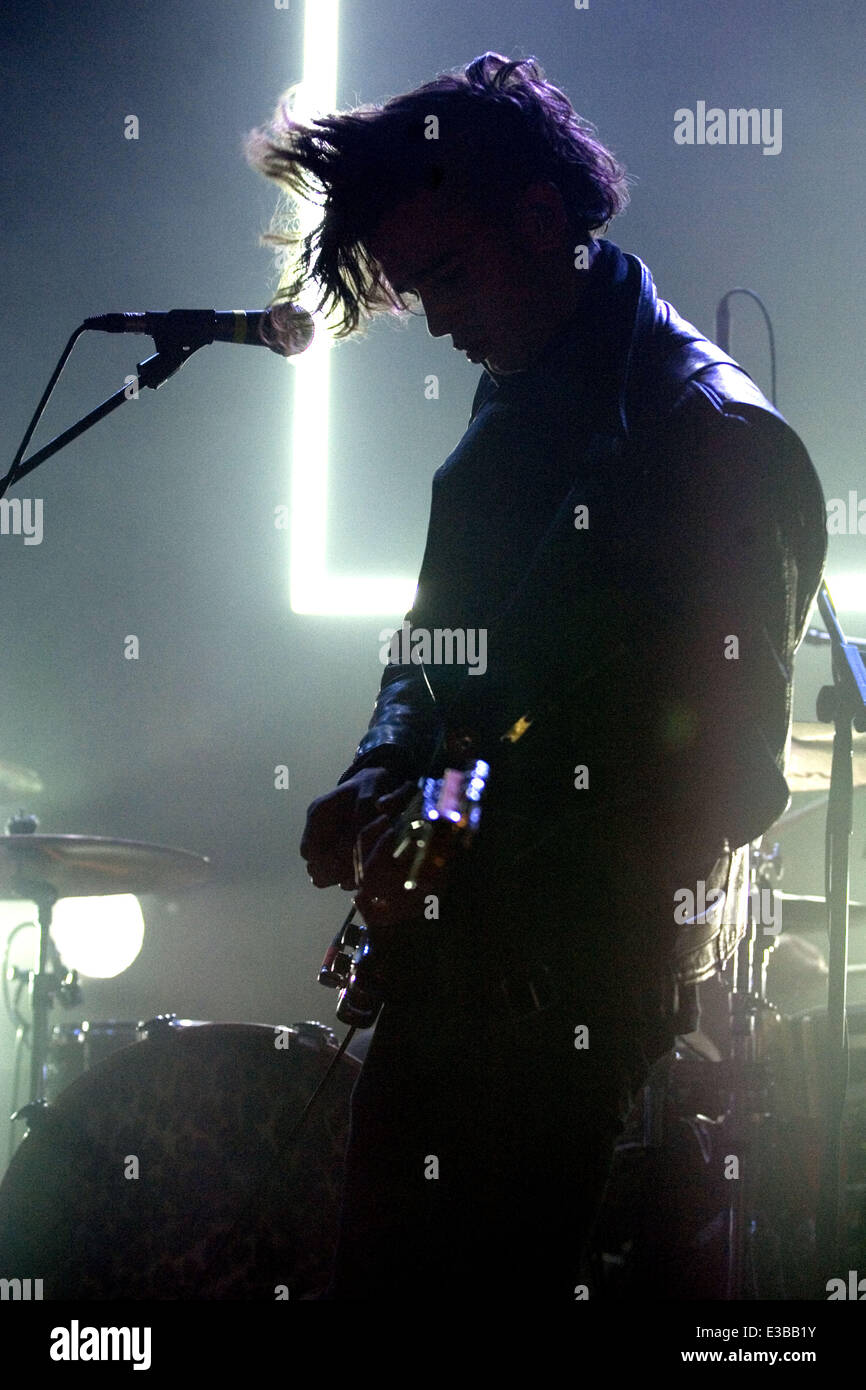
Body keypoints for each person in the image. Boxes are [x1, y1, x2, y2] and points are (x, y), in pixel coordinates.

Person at [246, 52, 826, 1299]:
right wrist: (379, 771)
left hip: (558, 1001)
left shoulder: (709, 438)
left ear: (541, 218)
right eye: (414, 291)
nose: (438, 320)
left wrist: (471, 823)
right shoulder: (514, 393)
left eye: (444, 276)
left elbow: (723, 784)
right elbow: (434, 635)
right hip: (452, 974)